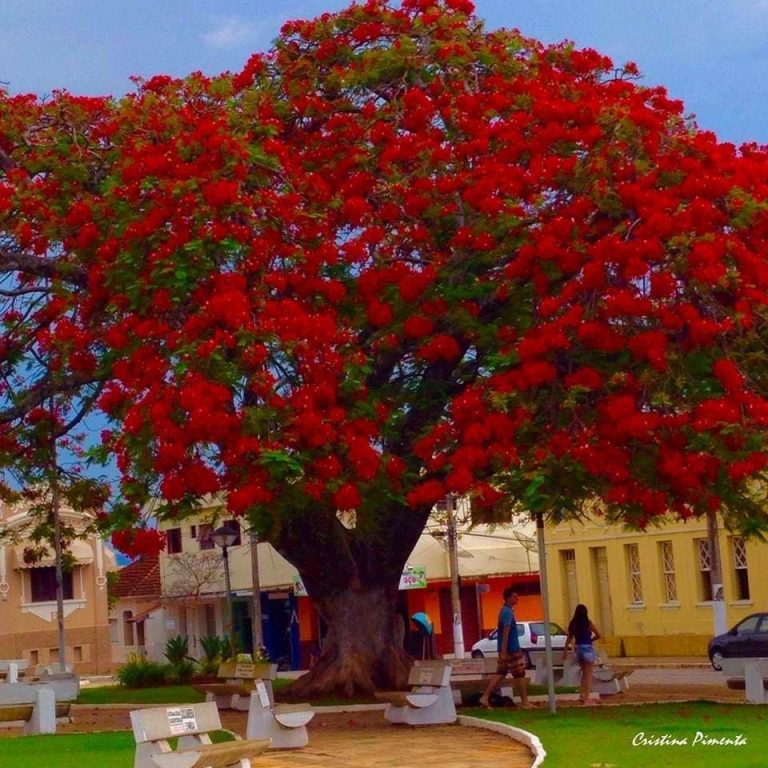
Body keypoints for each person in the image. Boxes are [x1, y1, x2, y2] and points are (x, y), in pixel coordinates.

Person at [478, 587, 531, 709]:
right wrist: (504, 651)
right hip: (511, 649)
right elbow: (506, 632)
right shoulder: (507, 612)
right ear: (508, 598)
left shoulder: (506, 611)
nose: (516, 598)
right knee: (520, 674)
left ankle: (485, 697)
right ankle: (525, 702)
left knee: (500, 674)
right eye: (514, 596)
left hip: (506, 649)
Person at [564, 603, 601, 704]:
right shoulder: (588, 623)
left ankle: (581, 694)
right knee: (588, 675)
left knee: (583, 673)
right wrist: (590, 639)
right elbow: (598, 634)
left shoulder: (573, 623)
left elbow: (569, 638)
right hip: (587, 648)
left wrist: (565, 651)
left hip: (578, 649)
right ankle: (587, 698)